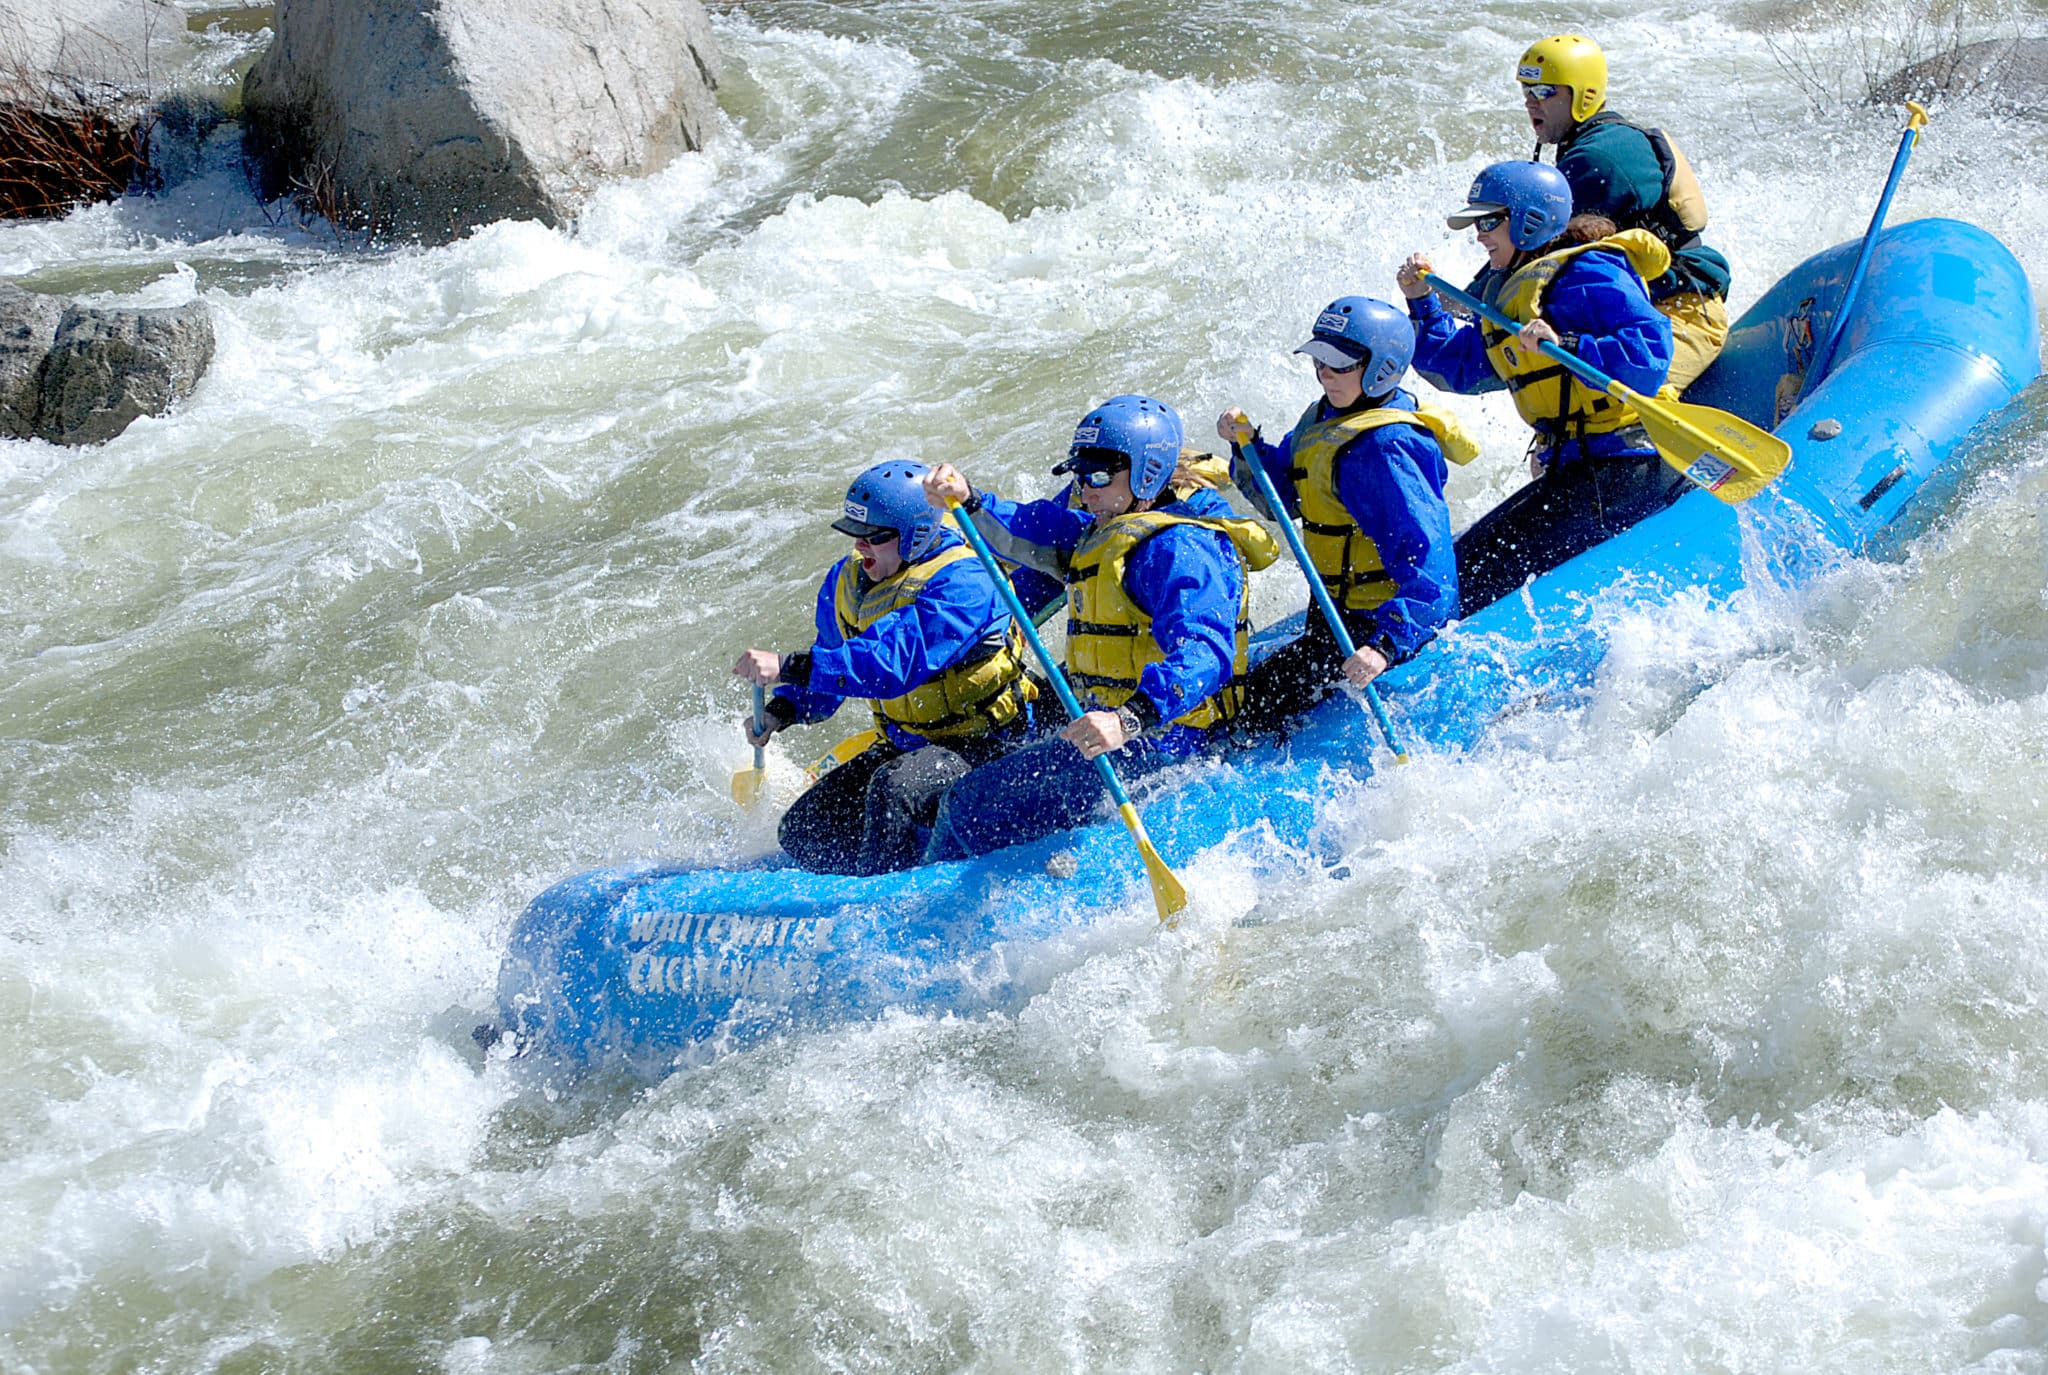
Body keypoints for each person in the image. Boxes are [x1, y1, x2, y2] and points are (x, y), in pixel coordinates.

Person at [917, 395, 1279, 861]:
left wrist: (1128, 719)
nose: (1084, 489)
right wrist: (970, 499)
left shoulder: (1177, 549)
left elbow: (1206, 652)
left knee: (969, 806)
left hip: (1167, 740)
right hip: (1116, 730)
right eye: (1079, 474)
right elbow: (1028, 528)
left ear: (1148, 472)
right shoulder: (1099, 530)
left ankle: (932, 901)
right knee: (970, 796)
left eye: (1099, 476)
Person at [1399, 159, 1676, 615]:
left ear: (1529, 220)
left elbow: (1649, 357)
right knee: (1461, 565)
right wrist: (1421, 303)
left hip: (1624, 468)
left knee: (1469, 573)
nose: (1480, 235)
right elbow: (1455, 367)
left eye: (1489, 222)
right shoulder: (1519, 292)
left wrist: (1566, 343)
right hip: (1575, 471)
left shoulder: (1588, 273)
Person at [733, 459, 1036, 875]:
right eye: (856, 536)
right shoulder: (847, 581)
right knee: (804, 829)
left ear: (916, 533)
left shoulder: (967, 581)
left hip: (985, 742)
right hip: (910, 742)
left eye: (874, 538)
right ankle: (853, 880)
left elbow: (891, 663)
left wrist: (788, 666)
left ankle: (884, 901)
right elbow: (832, 662)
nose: (861, 548)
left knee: (896, 790)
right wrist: (781, 711)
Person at [1216, 296, 1475, 738]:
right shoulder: (1324, 418)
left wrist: (1385, 647)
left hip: (1376, 627)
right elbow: (1284, 499)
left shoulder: (1384, 449)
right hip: (1335, 615)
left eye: (1339, 366)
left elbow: (1428, 562)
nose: (1325, 375)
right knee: (1246, 704)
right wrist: (1248, 448)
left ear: (1380, 369)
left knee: (1248, 715)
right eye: (1320, 363)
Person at [1516, 33, 1732, 394]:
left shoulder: (1598, 159)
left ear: (1582, 95)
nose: (1530, 103)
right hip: (1639, 314)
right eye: (1526, 91)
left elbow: (1538, 254)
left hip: (1682, 314)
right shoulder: (1584, 146)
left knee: (1624, 409)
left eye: (1544, 92)